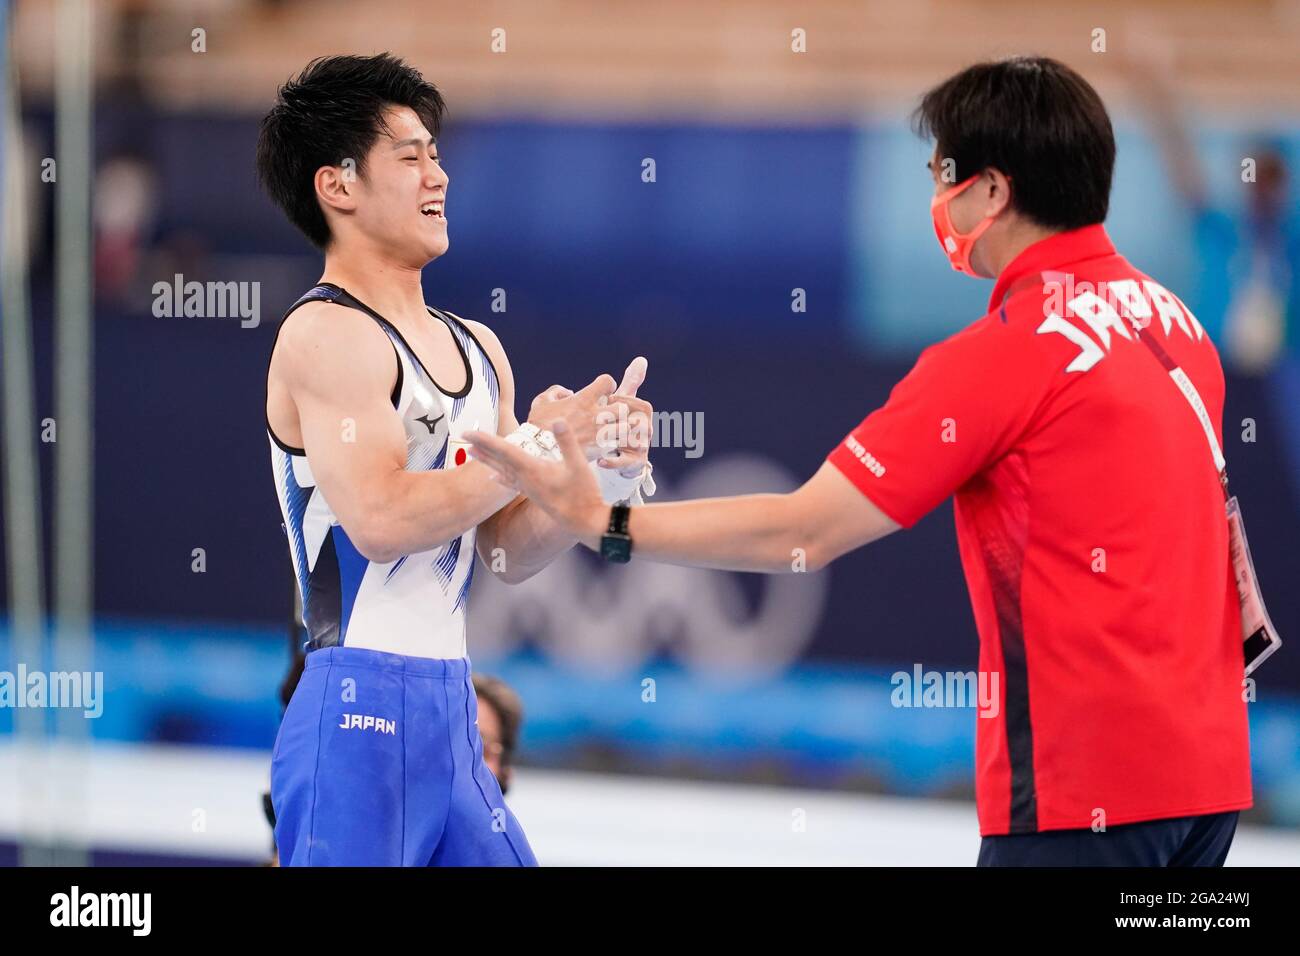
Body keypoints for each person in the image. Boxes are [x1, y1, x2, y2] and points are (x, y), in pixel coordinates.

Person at [466, 56, 1255, 867]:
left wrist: (603, 519)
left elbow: (801, 531)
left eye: (943, 176)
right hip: (1210, 786)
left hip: (1083, 795)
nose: (936, 202)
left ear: (991, 189)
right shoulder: (1180, 325)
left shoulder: (1005, 354)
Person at [256, 53, 655, 866]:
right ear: (339, 186)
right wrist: (537, 446)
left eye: (436, 153)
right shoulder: (324, 336)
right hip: (354, 708)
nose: (438, 174)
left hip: (451, 707)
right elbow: (379, 520)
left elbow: (502, 550)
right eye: (410, 157)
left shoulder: (481, 348)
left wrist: (590, 470)